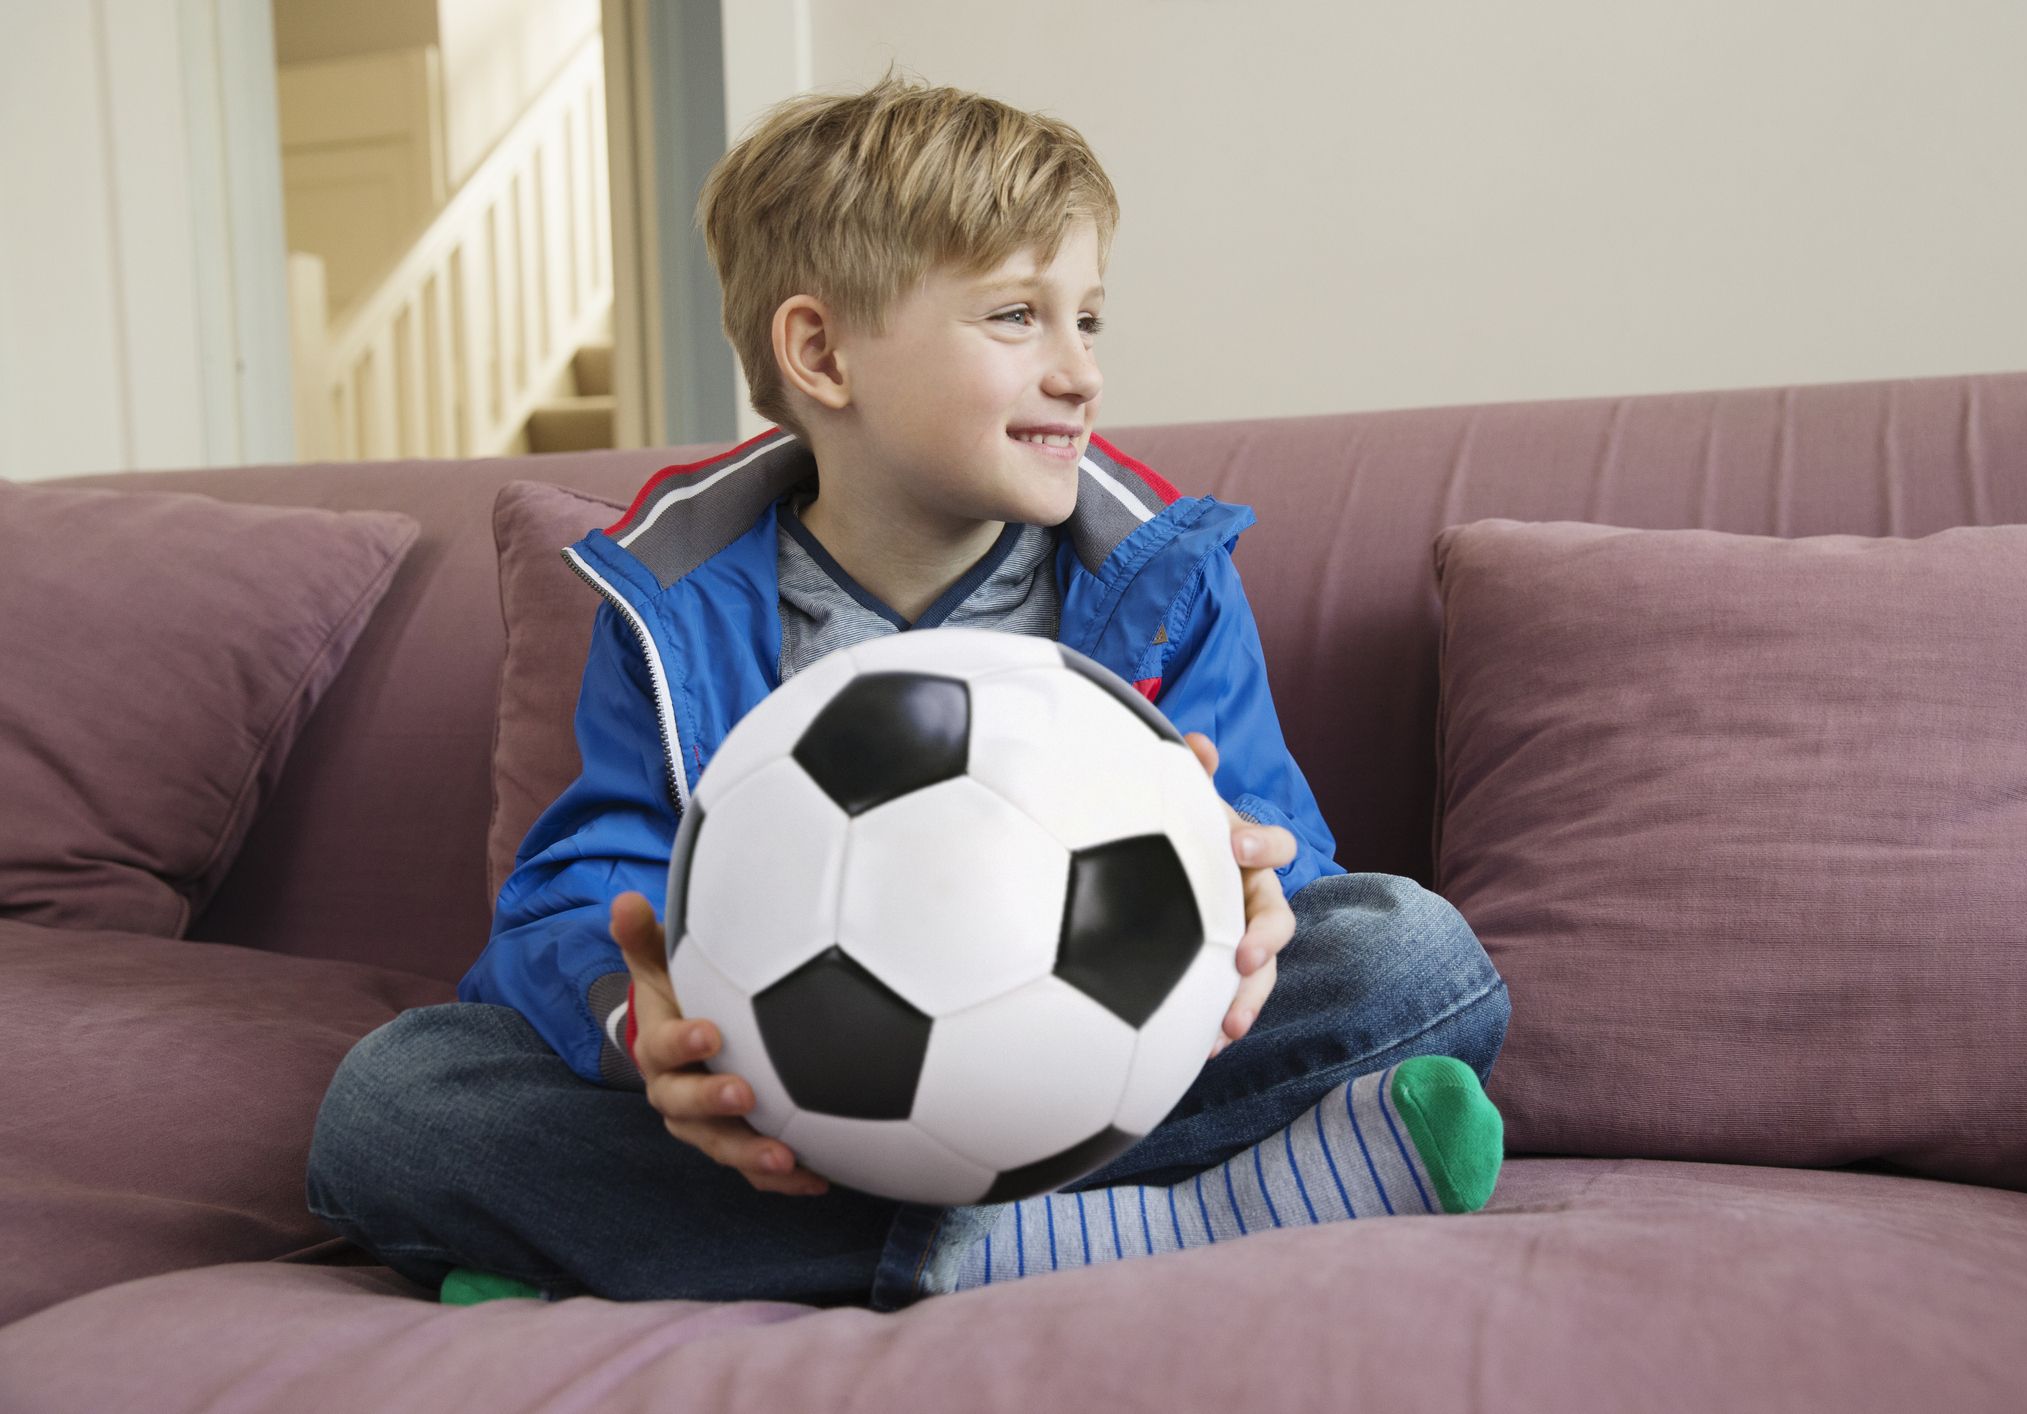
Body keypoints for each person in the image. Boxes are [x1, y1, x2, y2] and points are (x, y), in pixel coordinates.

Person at [306, 69, 1512, 1313]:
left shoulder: (1164, 577)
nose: (1081, 372)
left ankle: (692, 1253)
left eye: (1087, 319)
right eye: (1014, 319)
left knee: (1422, 959)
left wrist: (1255, 891)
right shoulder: (679, 604)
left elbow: (1284, 858)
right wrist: (636, 1021)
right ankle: (1136, 1227)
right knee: (394, 1102)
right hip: (800, 1103)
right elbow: (581, 892)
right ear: (821, 351)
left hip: (1101, 1061)